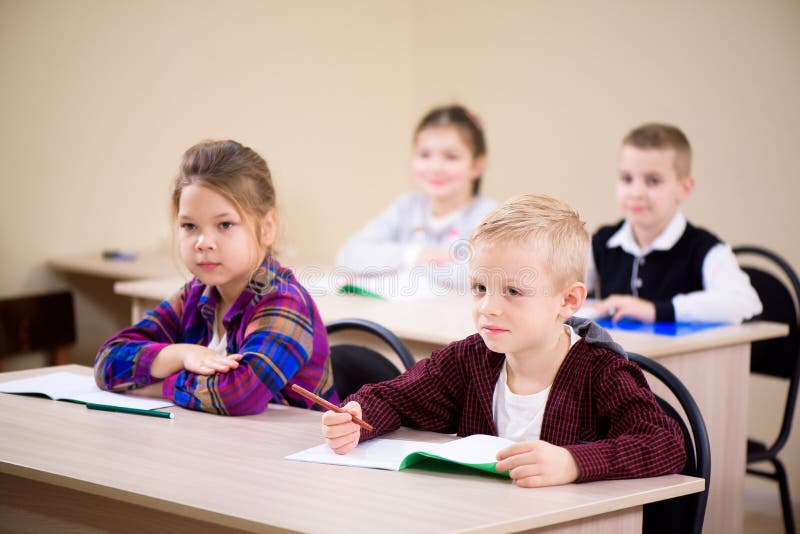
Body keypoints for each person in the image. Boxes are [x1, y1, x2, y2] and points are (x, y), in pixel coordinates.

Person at [321, 194, 686, 487]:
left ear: (568, 300)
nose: (488, 307)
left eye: (513, 291)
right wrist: (357, 418)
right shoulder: (470, 358)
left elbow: (665, 444)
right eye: (480, 287)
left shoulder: (602, 372)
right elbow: (394, 397)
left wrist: (573, 462)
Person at [94, 140, 337, 415]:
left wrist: (157, 386)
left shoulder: (286, 300)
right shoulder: (196, 295)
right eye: (189, 226)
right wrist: (182, 354)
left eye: (224, 224)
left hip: (293, 442)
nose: (203, 243)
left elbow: (238, 394)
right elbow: (106, 362)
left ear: (267, 228)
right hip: (214, 439)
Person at [586, 123, 761, 323]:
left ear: (684, 189)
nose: (636, 193)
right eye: (627, 179)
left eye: (653, 181)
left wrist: (656, 310)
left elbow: (745, 302)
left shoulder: (704, 249)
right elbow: (563, 288)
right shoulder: (602, 241)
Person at [336, 104, 496, 293]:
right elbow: (348, 255)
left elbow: (483, 275)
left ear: (477, 165)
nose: (435, 168)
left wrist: (388, 266)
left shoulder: (490, 218)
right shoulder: (406, 207)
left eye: (451, 157)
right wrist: (414, 254)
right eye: (425, 155)